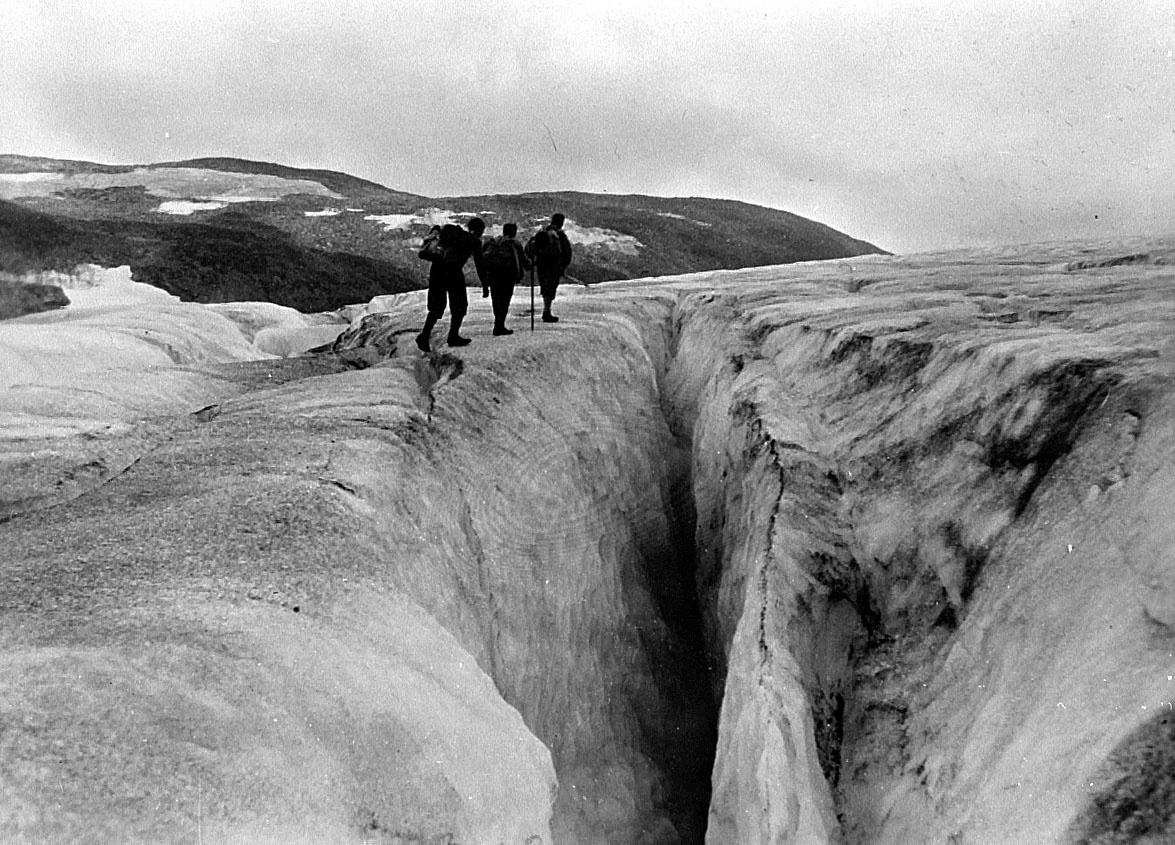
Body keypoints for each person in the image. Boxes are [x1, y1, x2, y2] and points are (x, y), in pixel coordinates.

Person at [416, 217, 487, 351]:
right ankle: (453, 336)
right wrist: (485, 284)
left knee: (436, 307)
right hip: (454, 272)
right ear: (479, 230)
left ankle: (424, 335)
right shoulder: (474, 241)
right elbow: (480, 264)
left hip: (437, 270)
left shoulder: (451, 235)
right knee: (459, 306)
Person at [480, 222, 530, 335]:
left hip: (493, 275)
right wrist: (530, 265)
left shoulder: (493, 242)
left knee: (496, 299)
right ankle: (499, 325)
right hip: (508, 276)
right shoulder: (514, 244)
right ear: (514, 232)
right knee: (504, 301)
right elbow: (524, 260)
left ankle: (498, 322)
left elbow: (482, 256)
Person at [526, 212, 573, 323]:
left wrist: (533, 259)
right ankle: (546, 311)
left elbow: (529, 247)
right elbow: (567, 251)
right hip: (554, 263)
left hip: (541, 262)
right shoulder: (559, 234)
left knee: (544, 286)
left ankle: (546, 309)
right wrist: (563, 266)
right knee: (550, 288)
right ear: (561, 222)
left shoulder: (543, 231)